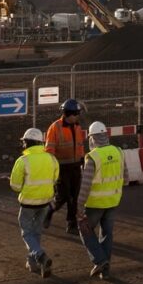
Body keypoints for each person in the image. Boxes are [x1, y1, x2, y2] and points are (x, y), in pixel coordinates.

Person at [8, 127, 58, 278]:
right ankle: (33, 262)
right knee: (36, 232)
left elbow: (15, 186)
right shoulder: (51, 159)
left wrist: (26, 186)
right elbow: (55, 179)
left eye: (24, 142)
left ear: (28, 143)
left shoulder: (22, 161)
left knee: (27, 233)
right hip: (45, 202)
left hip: (28, 203)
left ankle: (40, 255)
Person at [77, 120, 124, 279]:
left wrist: (79, 206)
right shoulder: (118, 151)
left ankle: (100, 260)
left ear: (92, 138)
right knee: (107, 234)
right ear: (105, 135)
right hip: (113, 201)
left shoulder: (93, 157)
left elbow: (85, 185)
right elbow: (126, 177)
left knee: (85, 230)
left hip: (95, 204)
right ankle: (105, 271)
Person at [44, 98, 89, 234]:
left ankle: (71, 224)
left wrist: (82, 159)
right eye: (75, 114)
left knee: (74, 197)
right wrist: (52, 168)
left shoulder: (77, 126)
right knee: (62, 197)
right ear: (67, 113)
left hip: (75, 167)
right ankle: (48, 211)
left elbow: (80, 145)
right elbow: (49, 150)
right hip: (61, 168)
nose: (77, 117)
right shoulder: (55, 128)